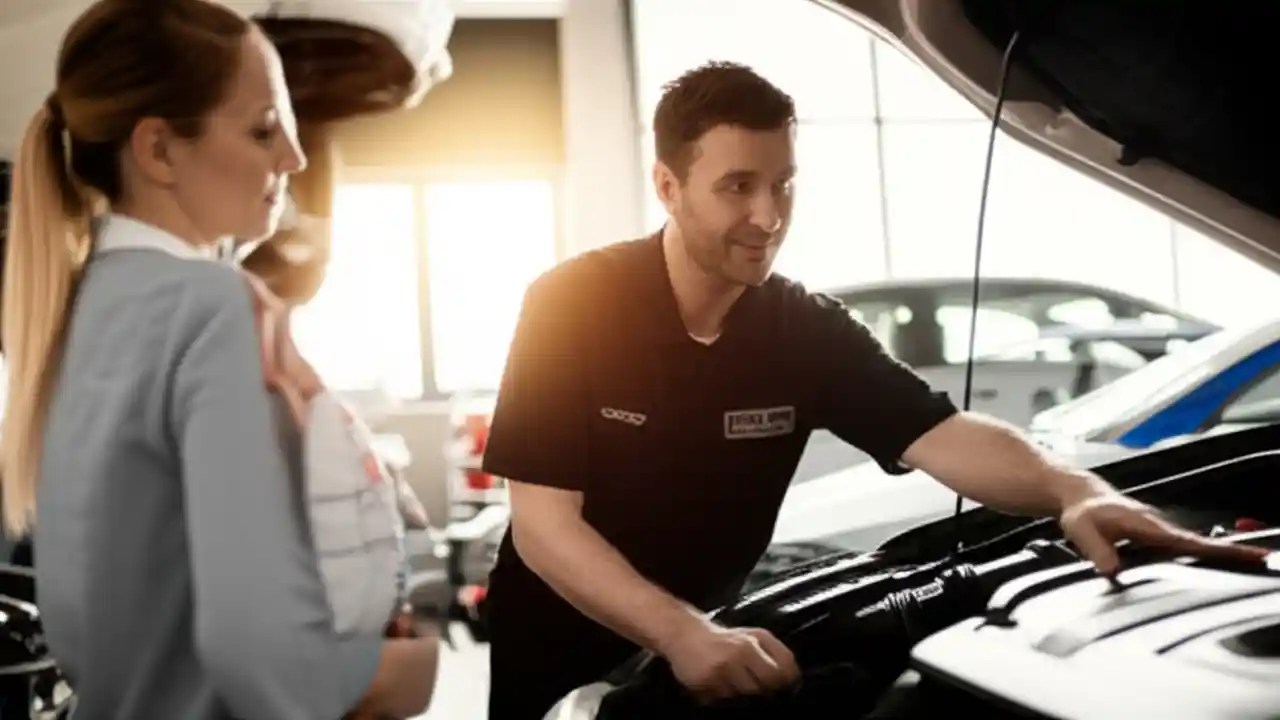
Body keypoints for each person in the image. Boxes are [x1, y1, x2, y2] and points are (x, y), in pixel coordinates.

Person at [479, 61, 1270, 720]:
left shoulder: (803, 328)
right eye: (737, 186)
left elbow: (946, 436)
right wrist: (681, 635)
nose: (768, 216)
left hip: (710, 635)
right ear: (667, 184)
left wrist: (1072, 491)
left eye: (784, 184)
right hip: (562, 642)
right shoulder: (573, 303)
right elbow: (546, 526)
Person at [0, 1, 437, 718]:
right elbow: (256, 647)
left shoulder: (79, 306)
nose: (293, 157)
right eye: (264, 129)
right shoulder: (215, 307)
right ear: (160, 150)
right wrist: (398, 674)